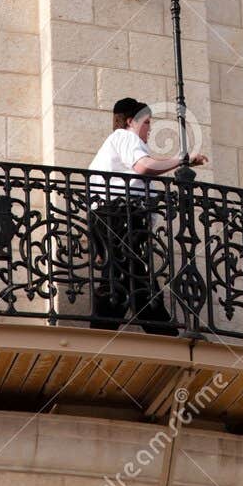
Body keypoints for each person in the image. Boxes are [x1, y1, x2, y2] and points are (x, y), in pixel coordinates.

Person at [86, 98, 207, 334]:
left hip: (112, 217)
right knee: (128, 278)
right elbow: (143, 167)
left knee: (126, 278)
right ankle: (157, 335)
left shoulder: (112, 147)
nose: (149, 129)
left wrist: (98, 245)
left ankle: (106, 333)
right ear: (131, 121)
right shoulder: (125, 136)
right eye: (147, 123)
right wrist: (184, 159)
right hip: (121, 216)